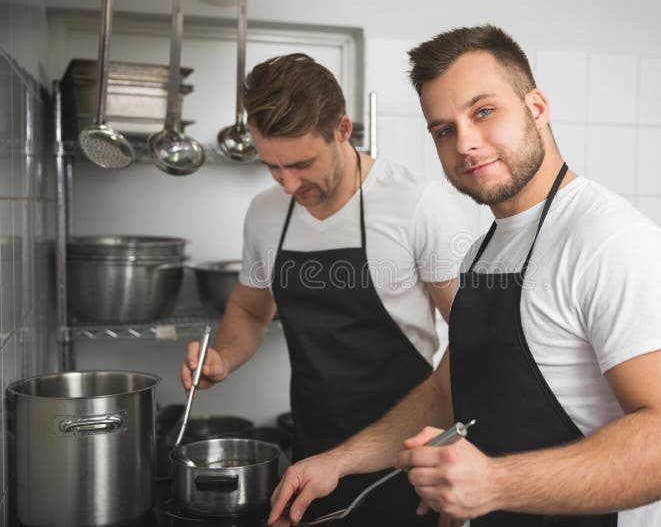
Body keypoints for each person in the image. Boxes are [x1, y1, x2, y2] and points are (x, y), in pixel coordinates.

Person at [267, 26, 661, 527]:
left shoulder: (612, 241)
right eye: (443, 129)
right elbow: (445, 392)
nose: (466, 143)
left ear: (537, 108)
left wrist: (492, 484)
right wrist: (339, 461)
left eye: (484, 112)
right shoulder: (483, 252)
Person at [181, 53, 470, 526]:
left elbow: (475, 338)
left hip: (408, 456)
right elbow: (251, 312)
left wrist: (459, 452)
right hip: (312, 457)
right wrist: (224, 356)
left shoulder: (416, 206)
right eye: (273, 167)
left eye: (301, 164)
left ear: (341, 129)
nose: (289, 183)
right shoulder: (265, 213)